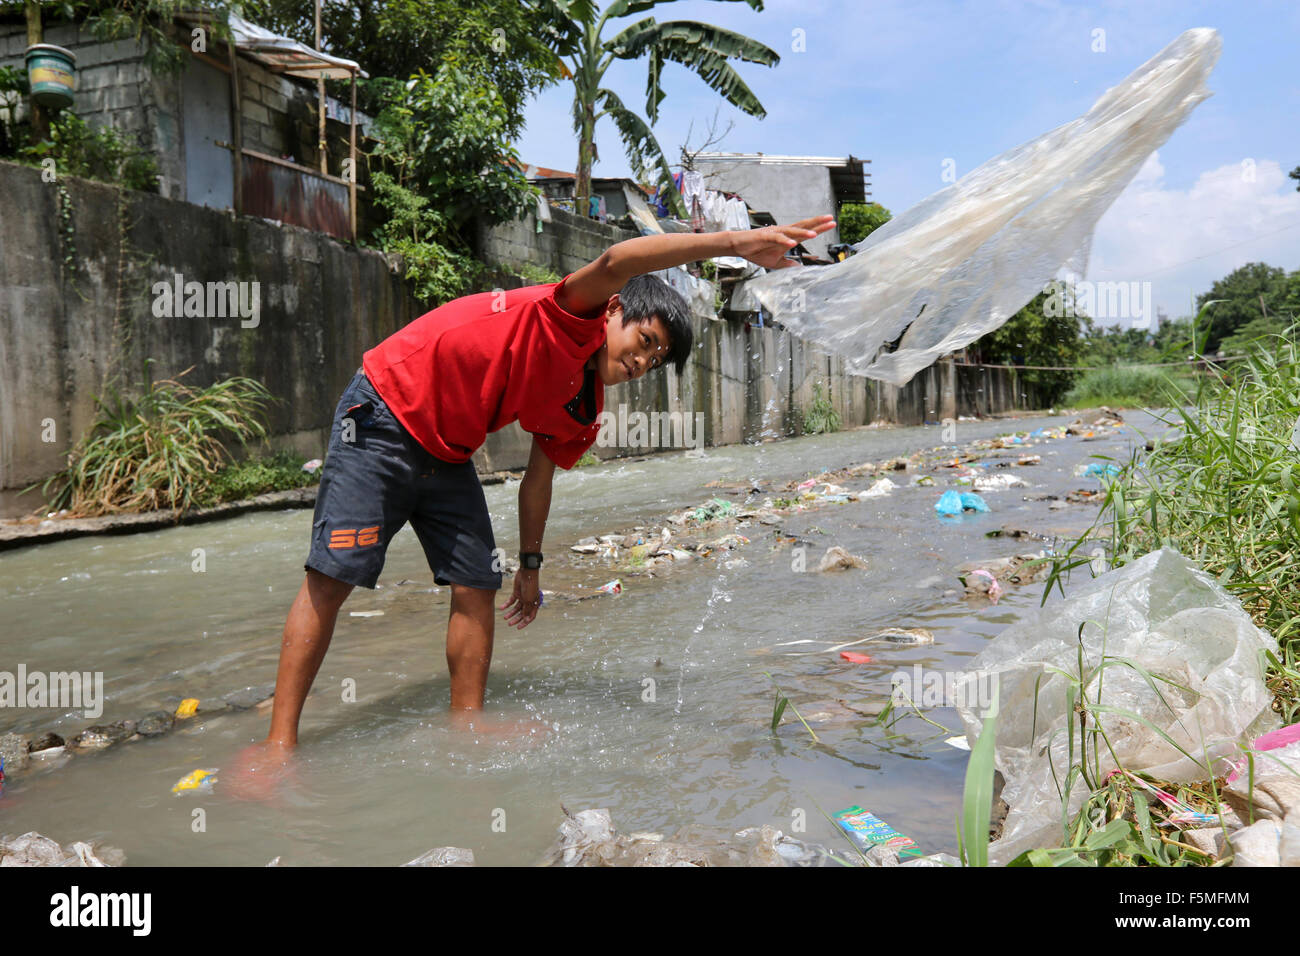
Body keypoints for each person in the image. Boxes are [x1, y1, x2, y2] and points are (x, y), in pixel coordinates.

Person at [229, 214, 836, 796]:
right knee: (332, 576)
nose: (641, 361)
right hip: (384, 414)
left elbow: (537, 482)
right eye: (644, 341)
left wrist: (531, 564)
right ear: (615, 309)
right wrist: (740, 242)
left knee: (474, 581)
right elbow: (622, 257)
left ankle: (466, 722)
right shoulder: (571, 313)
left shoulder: (583, 405)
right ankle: (277, 747)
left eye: (653, 361)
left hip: (447, 450)